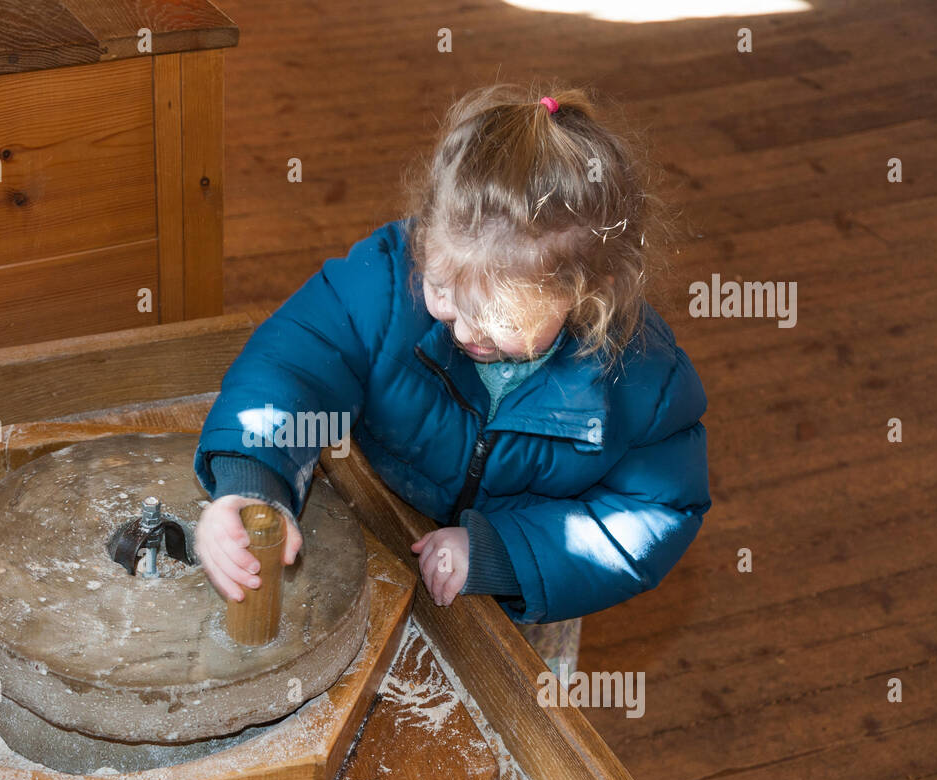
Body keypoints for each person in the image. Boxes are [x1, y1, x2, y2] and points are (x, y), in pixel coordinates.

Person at [192, 83, 711, 679]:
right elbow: (293, 367)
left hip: (520, 591)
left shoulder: (642, 379)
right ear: (428, 238)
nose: (463, 331)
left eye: (498, 323)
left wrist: (501, 554)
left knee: (492, 719)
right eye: (441, 290)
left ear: (584, 294)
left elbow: (653, 512)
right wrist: (251, 479)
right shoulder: (387, 282)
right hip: (381, 524)